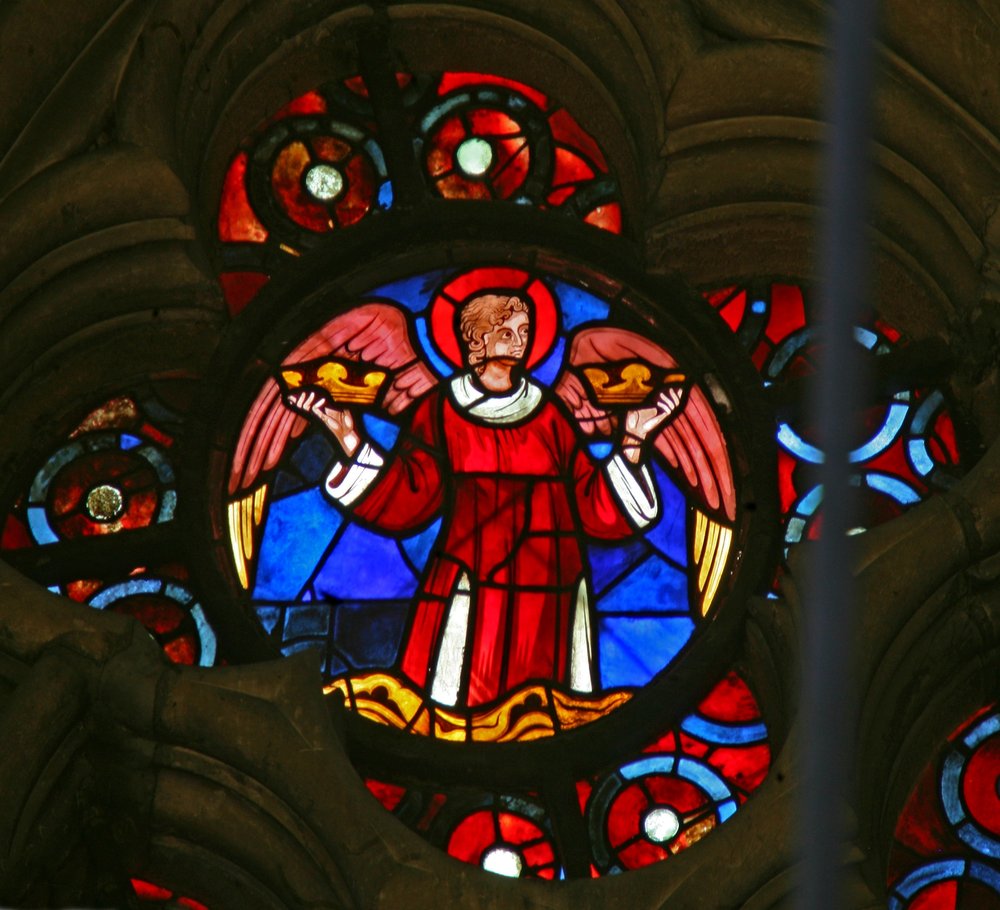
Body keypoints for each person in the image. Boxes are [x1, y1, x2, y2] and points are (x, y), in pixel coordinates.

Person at [288, 293, 681, 708]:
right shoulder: (442, 411)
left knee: (550, 711)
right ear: (477, 340)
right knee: (453, 708)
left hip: (551, 589)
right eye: (507, 331)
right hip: (471, 586)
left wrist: (635, 438)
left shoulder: (549, 415)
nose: (520, 341)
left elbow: (591, 504)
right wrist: (348, 437)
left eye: (526, 332)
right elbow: (410, 496)